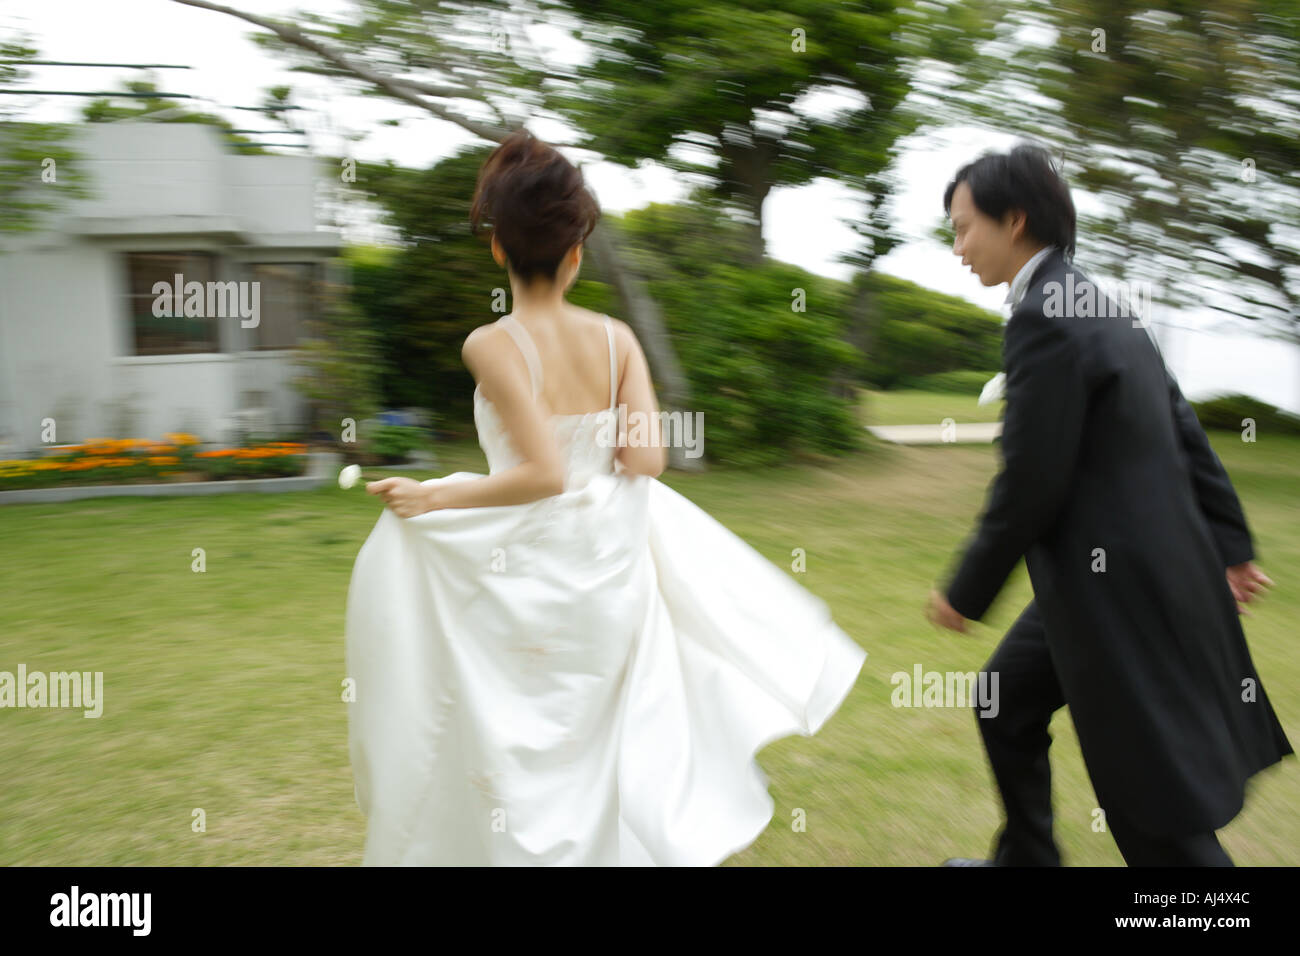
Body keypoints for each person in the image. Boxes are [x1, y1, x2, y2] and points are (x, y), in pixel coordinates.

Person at [344, 128, 866, 866]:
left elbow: (543, 475)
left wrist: (433, 499)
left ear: (498, 248)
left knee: (510, 732)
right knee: (600, 747)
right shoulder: (618, 338)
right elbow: (646, 459)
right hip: (609, 567)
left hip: (526, 567)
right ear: (576, 252)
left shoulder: (491, 344)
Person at [925, 144, 1293, 866]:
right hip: (1117, 575)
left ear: (1014, 220)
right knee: (1005, 697)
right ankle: (1027, 859)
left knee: (1152, 806)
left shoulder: (1044, 315)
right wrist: (1232, 544)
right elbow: (1185, 428)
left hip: (1118, 592)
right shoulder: (1094, 301)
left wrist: (966, 589)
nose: (958, 247)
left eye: (964, 228)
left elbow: (1032, 481)